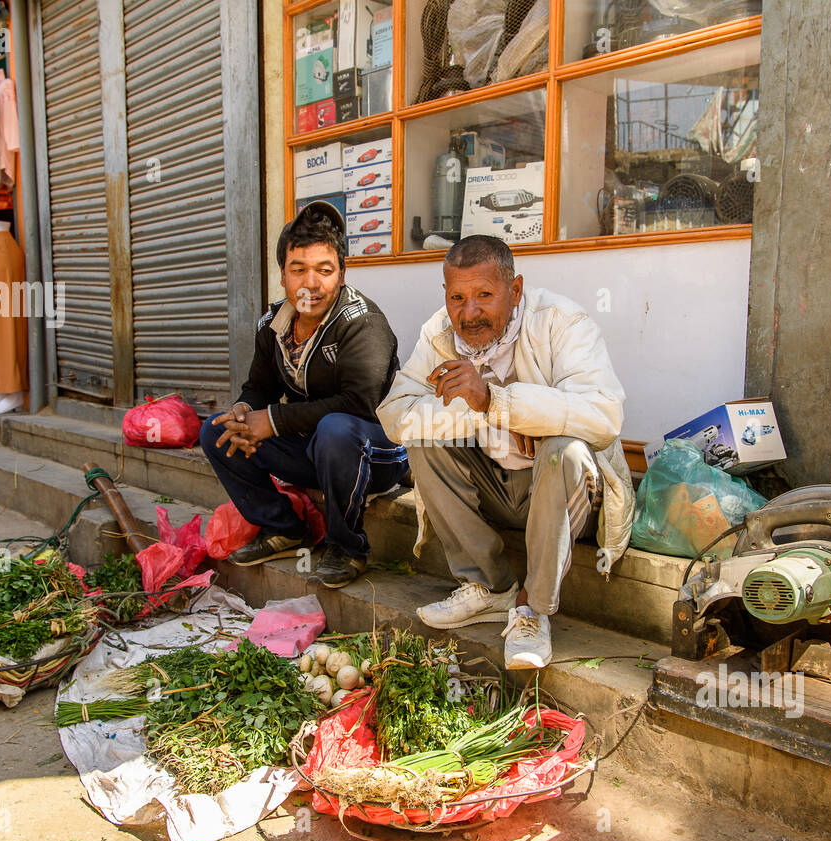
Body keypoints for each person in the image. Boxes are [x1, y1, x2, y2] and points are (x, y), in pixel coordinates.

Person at [376, 235, 634, 669]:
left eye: (484, 295)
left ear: (514, 291)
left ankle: (533, 608)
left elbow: (604, 416)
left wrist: (503, 403)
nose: (469, 312)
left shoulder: (561, 321)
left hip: (563, 499)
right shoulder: (438, 332)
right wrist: (487, 414)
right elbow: (396, 415)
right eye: (457, 297)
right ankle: (489, 588)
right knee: (424, 440)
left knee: (563, 448)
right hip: (497, 487)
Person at [199, 201, 407, 588]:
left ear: (342, 275)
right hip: (315, 449)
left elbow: (360, 403)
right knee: (216, 430)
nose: (310, 283)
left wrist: (273, 421)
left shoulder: (364, 323)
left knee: (336, 429)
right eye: (298, 270)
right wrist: (245, 409)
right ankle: (283, 529)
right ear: (283, 275)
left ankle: (347, 548)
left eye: (324, 271)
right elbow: (260, 387)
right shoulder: (274, 322)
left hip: (375, 454)